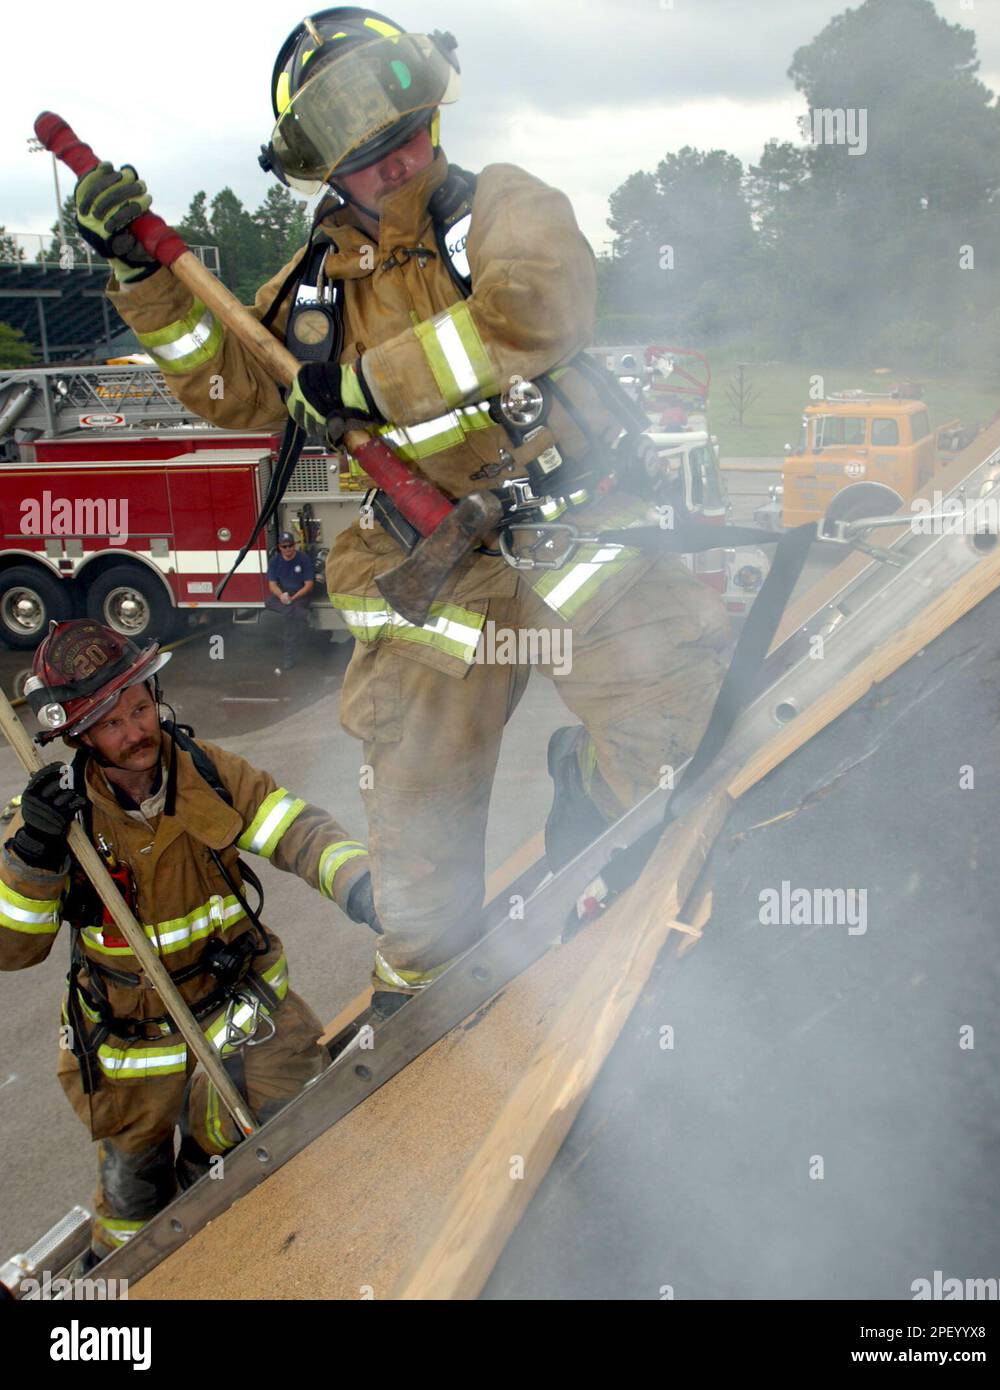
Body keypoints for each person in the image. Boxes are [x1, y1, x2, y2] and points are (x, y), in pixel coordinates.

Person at [85, 7, 731, 1006]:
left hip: (576, 533)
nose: (397, 165)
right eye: (369, 157)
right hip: (434, 574)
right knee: (421, 869)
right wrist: (145, 280)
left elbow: (539, 307)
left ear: (435, 118)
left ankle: (590, 806)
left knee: (672, 743)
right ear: (325, 171)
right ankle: (418, 1020)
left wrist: (362, 387)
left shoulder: (499, 211)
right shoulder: (311, 293)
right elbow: (230, 388)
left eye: (411, 138)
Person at [0, 619, 371, 1263]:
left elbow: (295, 828)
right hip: (130, 1054)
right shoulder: (58, 823)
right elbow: (12, 947)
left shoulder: (207, 772)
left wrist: (364, 884)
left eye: (141, 708)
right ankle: (118, 1291)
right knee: (134, 1208)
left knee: (293, 1113)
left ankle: (224, 1211)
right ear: (81, 736)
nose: (137, 732)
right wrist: (33, 853)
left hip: (242, 1010)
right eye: (112, 724)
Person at [266, 531, 315, 674]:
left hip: (300, 595)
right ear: (279, 547)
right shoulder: (275, 561)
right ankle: (303, 615)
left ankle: (289, 658)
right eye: (284, 546)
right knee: (269, 602)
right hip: (283, 595)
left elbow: (309, 585)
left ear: (295, 545)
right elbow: (272, 584)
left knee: (289, 621)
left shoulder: (303, 559)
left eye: (290, 545)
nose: (288, 549)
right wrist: (281, 596)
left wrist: (293, 598)